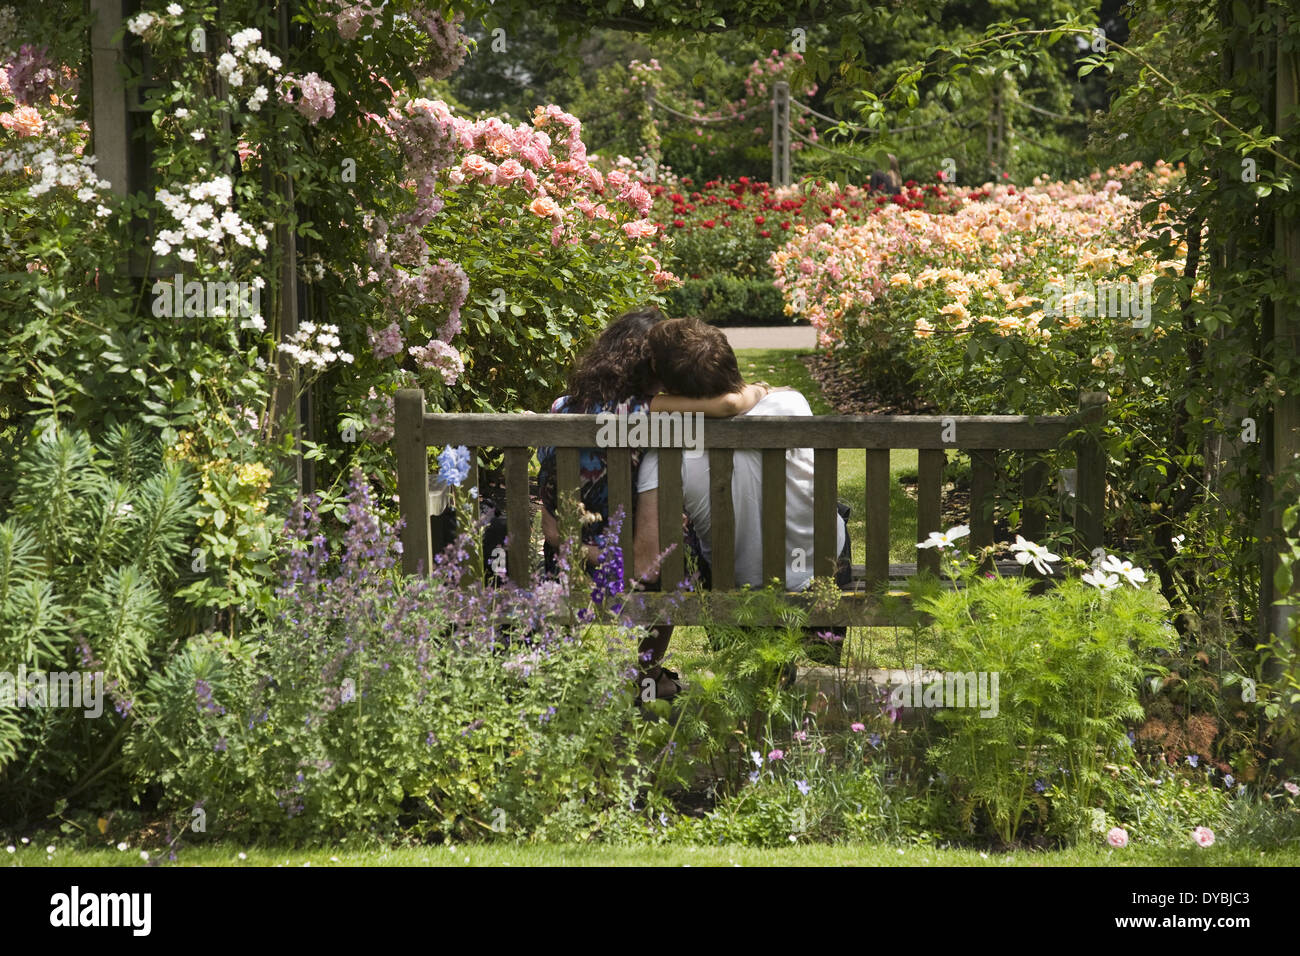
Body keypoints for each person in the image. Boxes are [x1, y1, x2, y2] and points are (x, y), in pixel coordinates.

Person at [536, 307, 771, 698]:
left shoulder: (562, 406)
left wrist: (569, 541)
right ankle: (647, 674)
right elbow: (729, 405)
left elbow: (548, 500)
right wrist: (762, 389)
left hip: (566, 561)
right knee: (679, 549)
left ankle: (561, 676)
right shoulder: (646, 410)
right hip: (640, 571)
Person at [631, 318, 851, 662]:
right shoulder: (791, 406)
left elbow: (647, 563)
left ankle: (749, 657)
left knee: (701, 550)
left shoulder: (664, 451)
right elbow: (749, 398)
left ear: (671, 389)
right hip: (821, 575)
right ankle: (822, 644)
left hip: (737, 592)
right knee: (835, 512)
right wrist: (740, 398)